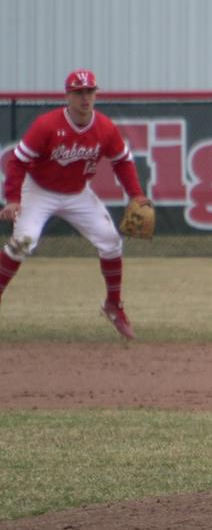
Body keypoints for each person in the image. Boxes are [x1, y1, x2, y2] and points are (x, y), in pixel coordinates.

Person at [0, 69, 153, 339]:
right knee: (23, 242)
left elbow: (123, 161)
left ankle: (113, 305)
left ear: (96, 94)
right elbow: (18, 161)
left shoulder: (105, 128)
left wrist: (136, 195)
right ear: (68, 95)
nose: (85, 98)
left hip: (77, 193)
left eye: (89, 92)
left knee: (110, 241)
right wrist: (13, 199)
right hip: (39, 190)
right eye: (79, 92)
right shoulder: (47, 125)